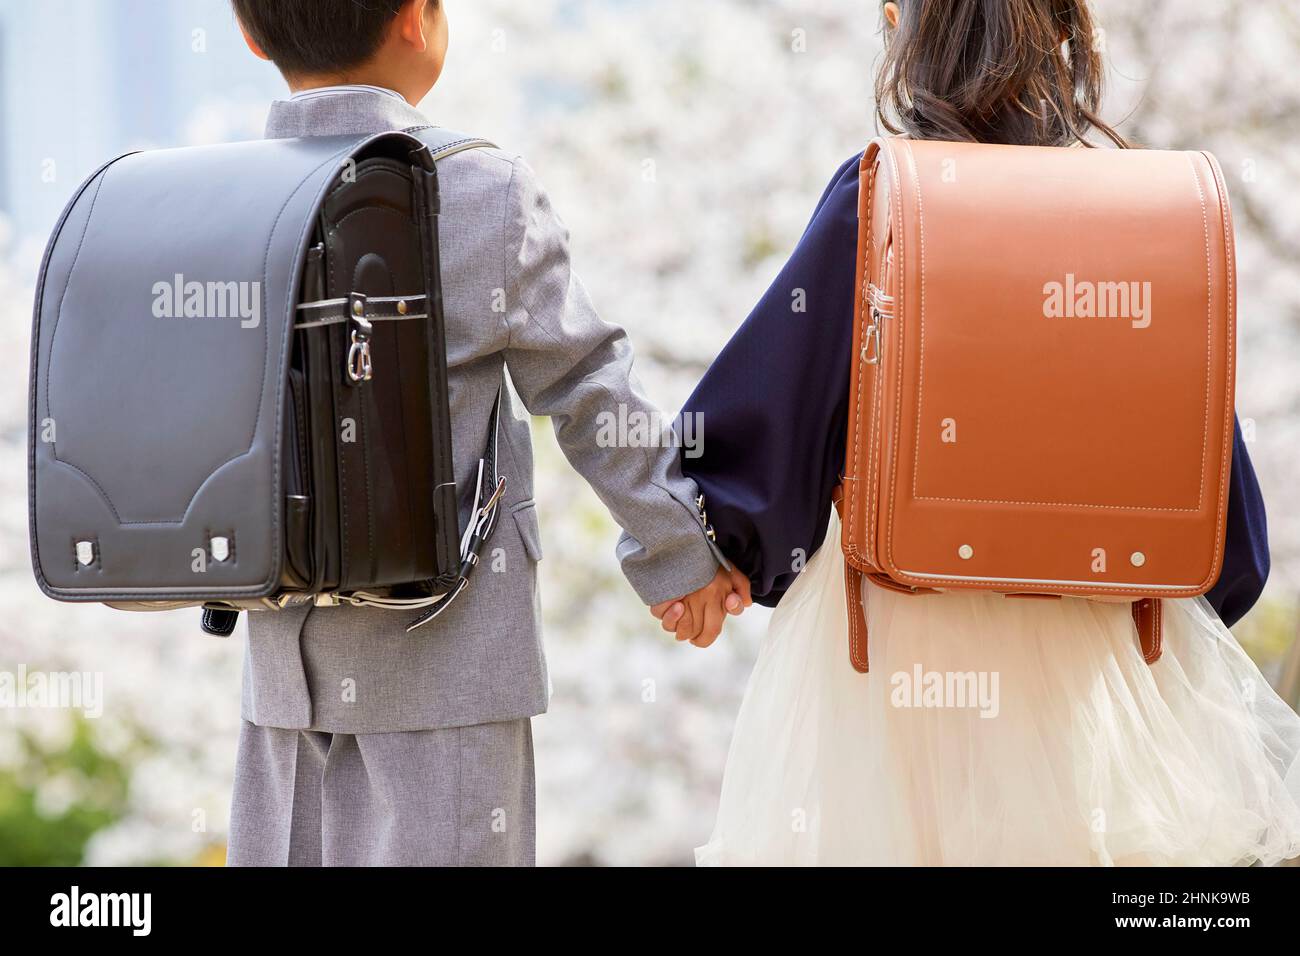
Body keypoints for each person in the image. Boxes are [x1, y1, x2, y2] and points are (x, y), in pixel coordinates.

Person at [675, 0, 1300, 865]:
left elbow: (767, 428)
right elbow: (1229, 550)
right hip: (1090, 673)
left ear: (906, 27)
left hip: (898, 657)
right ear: (1067, 31)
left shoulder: (886, 197)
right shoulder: (1149, 216)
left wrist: (714, 551)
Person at [225, 0, 743, 867]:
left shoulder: (220, 203)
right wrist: (682, 552)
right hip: (449, 667)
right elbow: (587, 386)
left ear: (249, 34)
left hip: (281, 683)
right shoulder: (480, 192)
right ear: (416, 20)